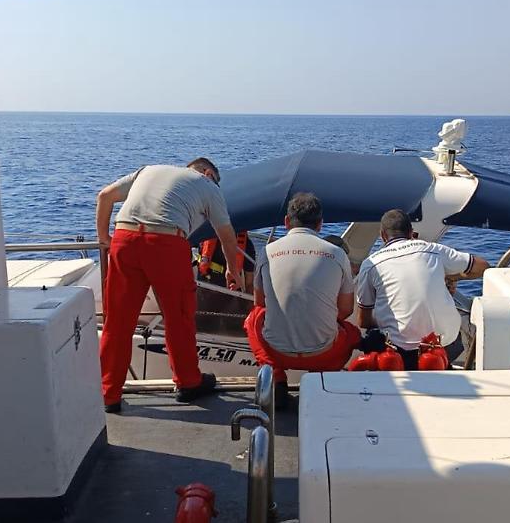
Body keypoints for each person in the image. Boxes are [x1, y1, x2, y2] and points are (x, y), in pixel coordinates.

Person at [96, 157, 241, 413]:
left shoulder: (148, 169)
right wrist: (233, 270)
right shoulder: (207, 186)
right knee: (179, 316)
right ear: (208, 173)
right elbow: (227, 236)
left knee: (117, 321)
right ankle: (187, 382)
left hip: (124, 239)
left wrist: (104, 238)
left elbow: (104, 196)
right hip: (166, 244)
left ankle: (108, 393)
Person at [245, 193, 358, 408]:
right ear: (320, 224)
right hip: (324, 353)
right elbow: (345, 310)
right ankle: (320, 379)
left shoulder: (267, 252)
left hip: (276, 351)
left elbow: (259, 303)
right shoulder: (337, 254)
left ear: (287, 222)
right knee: (351, 333)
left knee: (254, 319)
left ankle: (276, 378)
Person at [355, 209, 489, 369]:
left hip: (400, 353)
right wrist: (452, 277)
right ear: (411, 232)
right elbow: (482, 267)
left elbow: (363, 321)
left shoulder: (371, 264)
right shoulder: (434, 250)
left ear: (383, 235)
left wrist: (386, 317)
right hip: (445, 345)